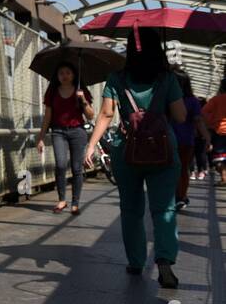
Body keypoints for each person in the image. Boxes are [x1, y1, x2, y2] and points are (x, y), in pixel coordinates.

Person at [83, 28, 187, 288]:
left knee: (131, 209)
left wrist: (91, 145)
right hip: (162, 150)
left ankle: (136, 261)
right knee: (164, 208)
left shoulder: (117, 78)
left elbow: (106, 115)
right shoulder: (167, 78)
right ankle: (164, 261)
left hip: (126, 150)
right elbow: (181, 116)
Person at [35, 60, 93, 214]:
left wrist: (83, 101)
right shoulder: (52, 92)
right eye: (61, 73)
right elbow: (47, 117)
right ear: (57, 76)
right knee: (60, 165)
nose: (65, 76)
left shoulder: (81, 91)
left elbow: (91, 116)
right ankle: (62, 200)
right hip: (58, 131)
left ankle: (75, 203)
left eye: (68, 72)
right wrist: (40, 137)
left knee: (76, 168)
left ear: (74, 74)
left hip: (77, 132)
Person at [170, 70, 210, 210]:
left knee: (166, 169)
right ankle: (181, 196)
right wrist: (207, 137)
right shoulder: (192, 101)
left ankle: (168, 195)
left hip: (166, 140)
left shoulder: (165, 98)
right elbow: (198, 120)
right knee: (182, 170)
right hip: (186, 141)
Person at [202, 77, 226, 187]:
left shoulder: (216, 99)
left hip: (219, 132)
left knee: (219, 157)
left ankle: (224, 178)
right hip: (219, 132)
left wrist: (211, 122)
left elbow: (204, 111)